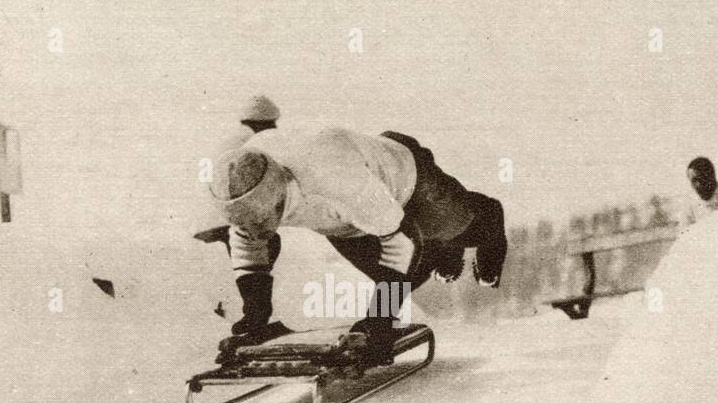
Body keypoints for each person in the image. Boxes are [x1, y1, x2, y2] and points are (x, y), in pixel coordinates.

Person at [207, 126, 507, 361]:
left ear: (279, 192)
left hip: (407, 181)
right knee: (407, 278)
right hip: (346, 220)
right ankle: (443, 250)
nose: (252, 230)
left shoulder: (333, 176)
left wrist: (380, 321)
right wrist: (255, 317)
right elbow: (248, 245)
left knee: (458, 227)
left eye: (259, 219)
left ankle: (487, 225)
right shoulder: (245, 188)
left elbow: (402, 240)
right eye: (243, 222)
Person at [194, 95, 284, 252]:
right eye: (271, 123)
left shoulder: (232, 139)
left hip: (210, 212)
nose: (275, 128)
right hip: (223, 211)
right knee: (261, 244)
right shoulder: (252, 142)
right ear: (260, 123)